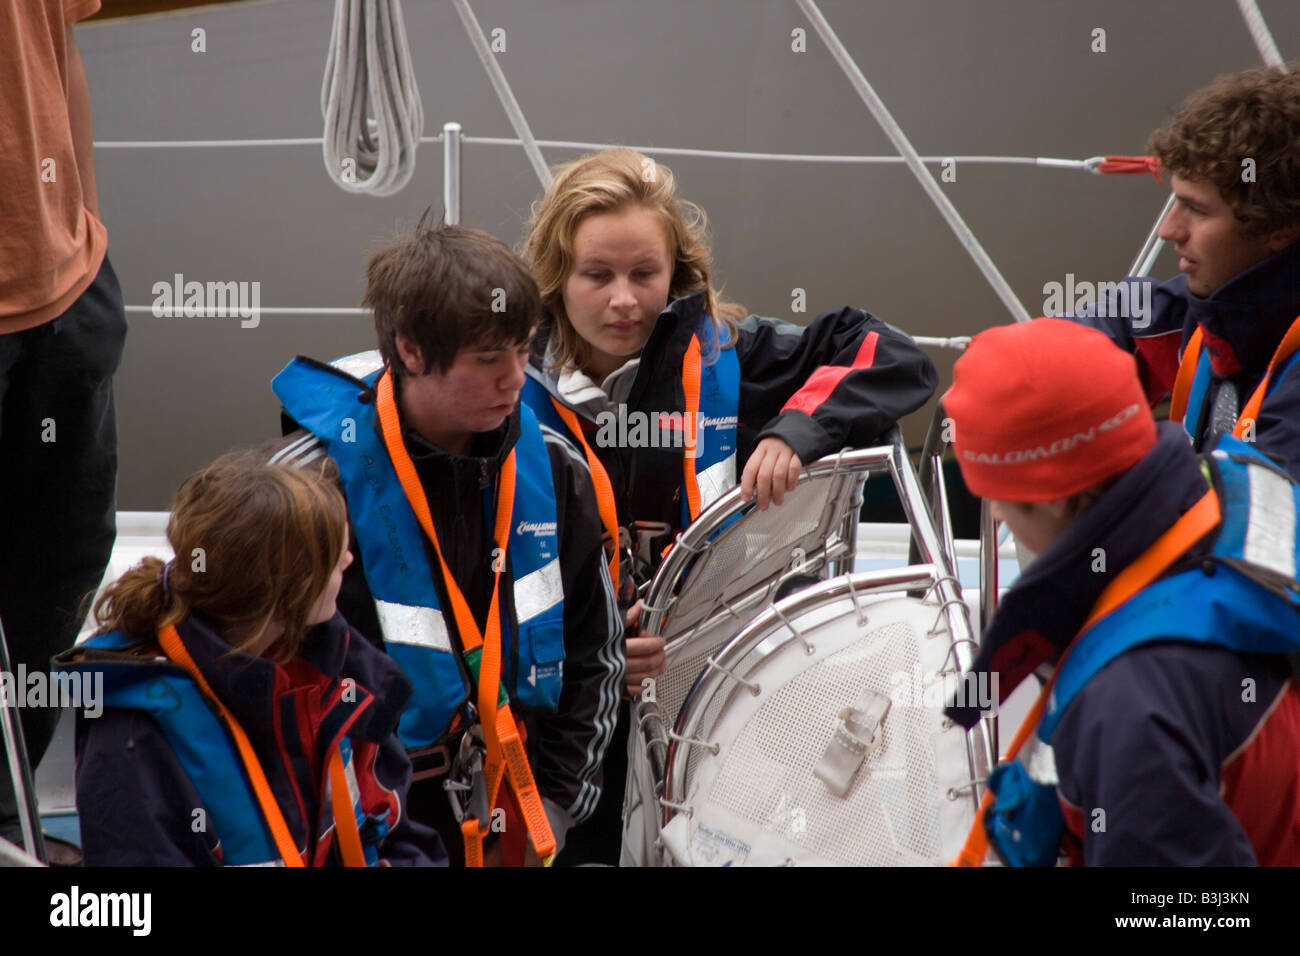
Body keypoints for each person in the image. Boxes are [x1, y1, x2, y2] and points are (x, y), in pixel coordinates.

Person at [519, 147, 938, 863]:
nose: (624, 300)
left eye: (645, 275)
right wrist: (598, 646)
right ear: (557, 280)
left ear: (677, 275)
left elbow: (894, 357)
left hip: (707, 697)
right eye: (597, 276)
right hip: (565, 709)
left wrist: (794, 431)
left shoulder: (730, 363)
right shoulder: (509, 387)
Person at [268, 220, 623, 866]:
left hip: (519, 808)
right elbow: (250, 675)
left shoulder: (552, 466)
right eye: (489, 360)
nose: (517, 379)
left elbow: (595, 650)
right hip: (360, 823)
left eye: (524, 350)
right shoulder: (307, 488)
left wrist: (556, 803)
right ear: (408, 351)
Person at [943, 318, 1300, 866]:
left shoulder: (1129, 702)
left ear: (1055, 497)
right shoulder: (1216, 513)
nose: (994, 512)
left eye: (994, 495)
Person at [54, 454, 446, 866]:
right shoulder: (133, 737)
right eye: (333, 554)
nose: (349, 560)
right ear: (284, 589)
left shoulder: (342, 680)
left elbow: (395, 836)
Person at [0, 0, 128, 849]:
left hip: (61, 285)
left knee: (62, 566)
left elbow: (58, 43)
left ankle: (9, 814)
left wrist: (77, 231)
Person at [1070, 66, 1300, 477]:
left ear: (1280, 228)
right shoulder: (1213, 312)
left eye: (1196, 209)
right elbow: (1120, 316)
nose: (1169, 229)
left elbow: (1262, 523)